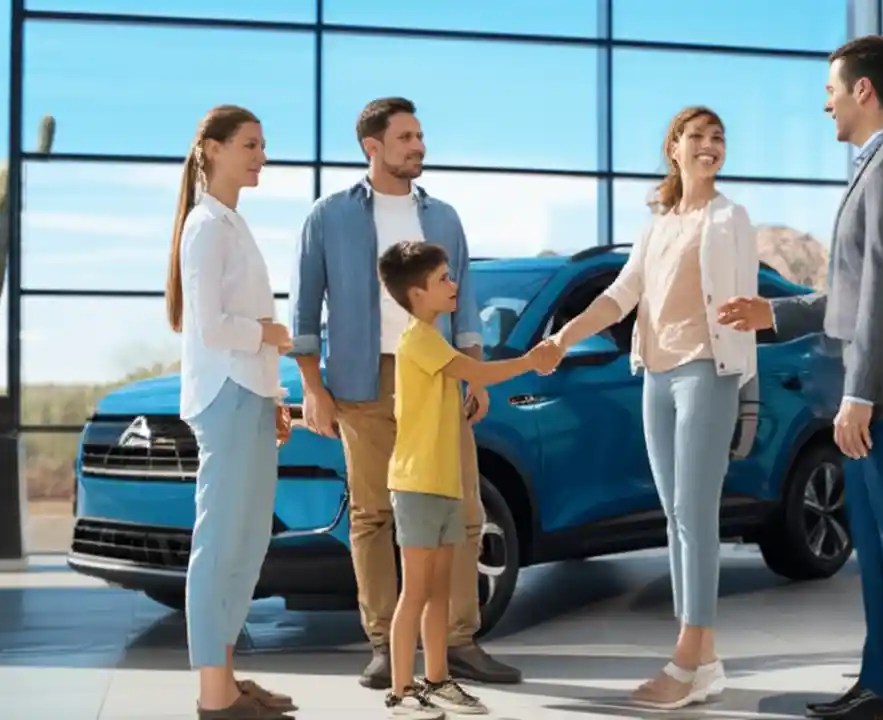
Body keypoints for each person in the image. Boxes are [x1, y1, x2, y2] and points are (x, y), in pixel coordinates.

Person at [719, 35, 883, 720]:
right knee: (878, 558)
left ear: (862, 90)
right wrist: (774, 312)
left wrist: (861, 395)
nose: (824, 102)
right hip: (875, 399)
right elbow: (851, 294)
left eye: (831, 89)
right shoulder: (876, 167)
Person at [287, 97, 522, 689]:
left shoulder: (442, 216)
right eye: (406, 137)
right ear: (373, 146)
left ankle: (459, 642)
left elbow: (463, 297)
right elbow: (304, 309)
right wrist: (312, 387)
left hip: (439, 378)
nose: (419, 146)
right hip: (362, 382)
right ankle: (383, 647)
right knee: (372, 516)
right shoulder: (328, 216)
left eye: (420, 136)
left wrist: (473, 368)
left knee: (464, 512)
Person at [535, 105, 758, 710]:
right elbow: (620, 294)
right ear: (674, 148)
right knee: (674, 515)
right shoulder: (659, 223)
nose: (709, 145)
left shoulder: (730, 218)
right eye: (697, 136)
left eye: (718, 137)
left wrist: (748, 390)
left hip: (707, 373)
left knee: (696, 510)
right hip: (655, 376)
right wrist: (562, 338)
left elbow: (745, 303)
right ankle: (702, 660)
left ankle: (690, 655)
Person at [375, 240, 555, 717]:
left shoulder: (431, 338)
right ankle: (400, 691)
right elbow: (476, 371)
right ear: (417, 294)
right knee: (415, 592)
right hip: (416, 487)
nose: (454, 286)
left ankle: (437, 680)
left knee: (438, 593)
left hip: (443, 483)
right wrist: (531, 362)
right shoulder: (420, 341)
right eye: (443, 280)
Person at [165, 105, 298, 720]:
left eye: (263, 145)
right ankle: (214, 696)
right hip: (224, 395)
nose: (260, 155)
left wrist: (272, 399)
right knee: (219, 543)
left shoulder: (231, 223)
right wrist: (269, 334)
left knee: (245, 543)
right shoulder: (205, 226)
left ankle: (229, 681)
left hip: (248, 395)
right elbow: (212, 326)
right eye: (249, 144)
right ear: (212, 150)